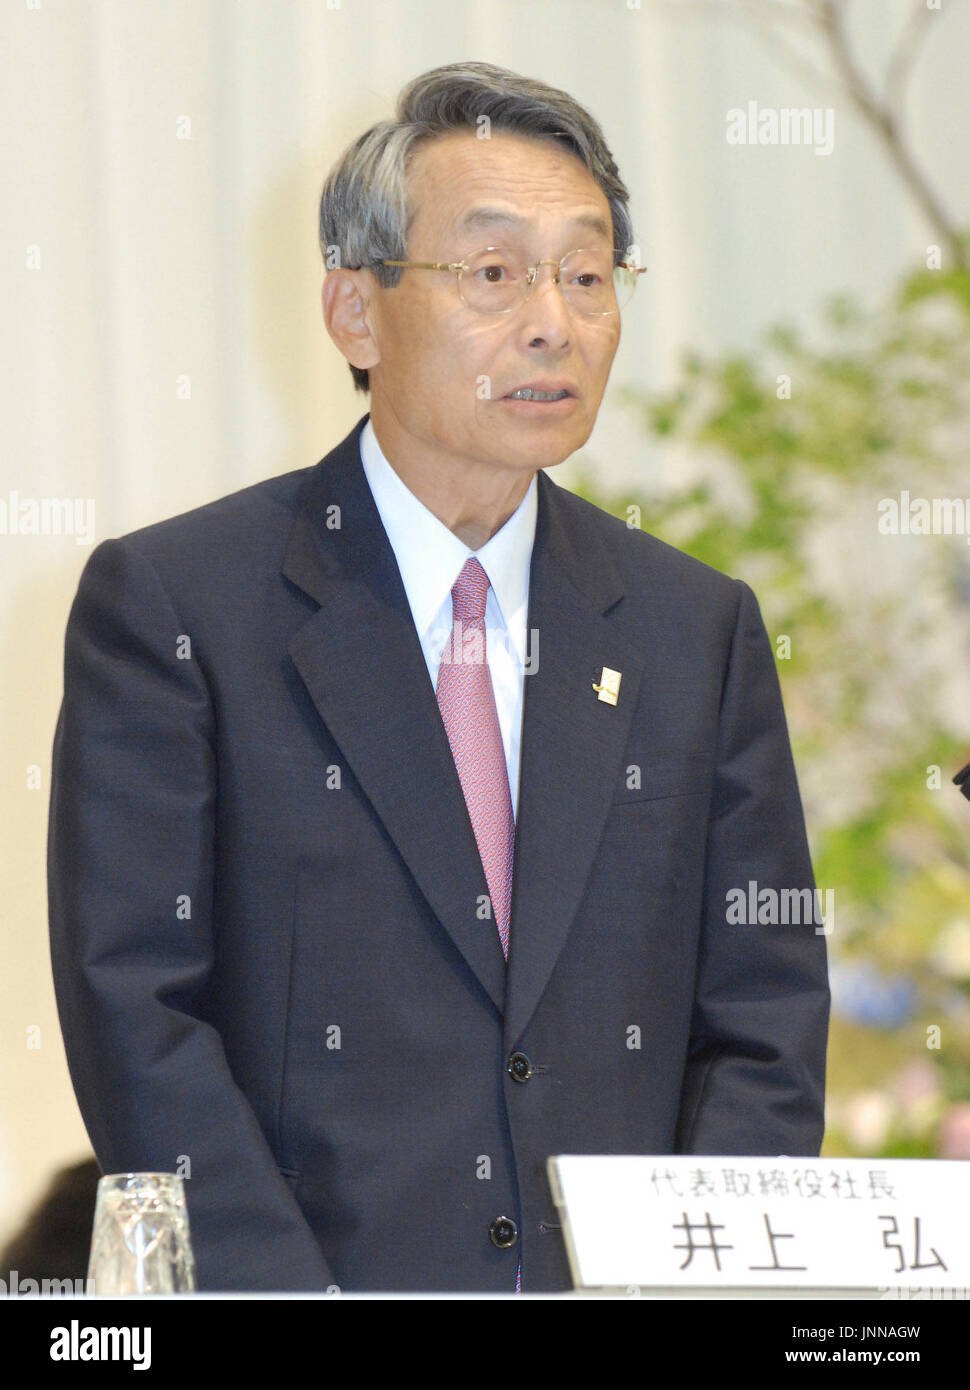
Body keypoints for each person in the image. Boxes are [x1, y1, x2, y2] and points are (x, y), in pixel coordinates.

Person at [47, 61, 829, 1294]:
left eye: (586, 274)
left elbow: (765, 1018)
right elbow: (136, 1012)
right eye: (493, 271)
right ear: (355, 310)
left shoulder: (694, 628)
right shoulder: (179, 606)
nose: (551, 322)